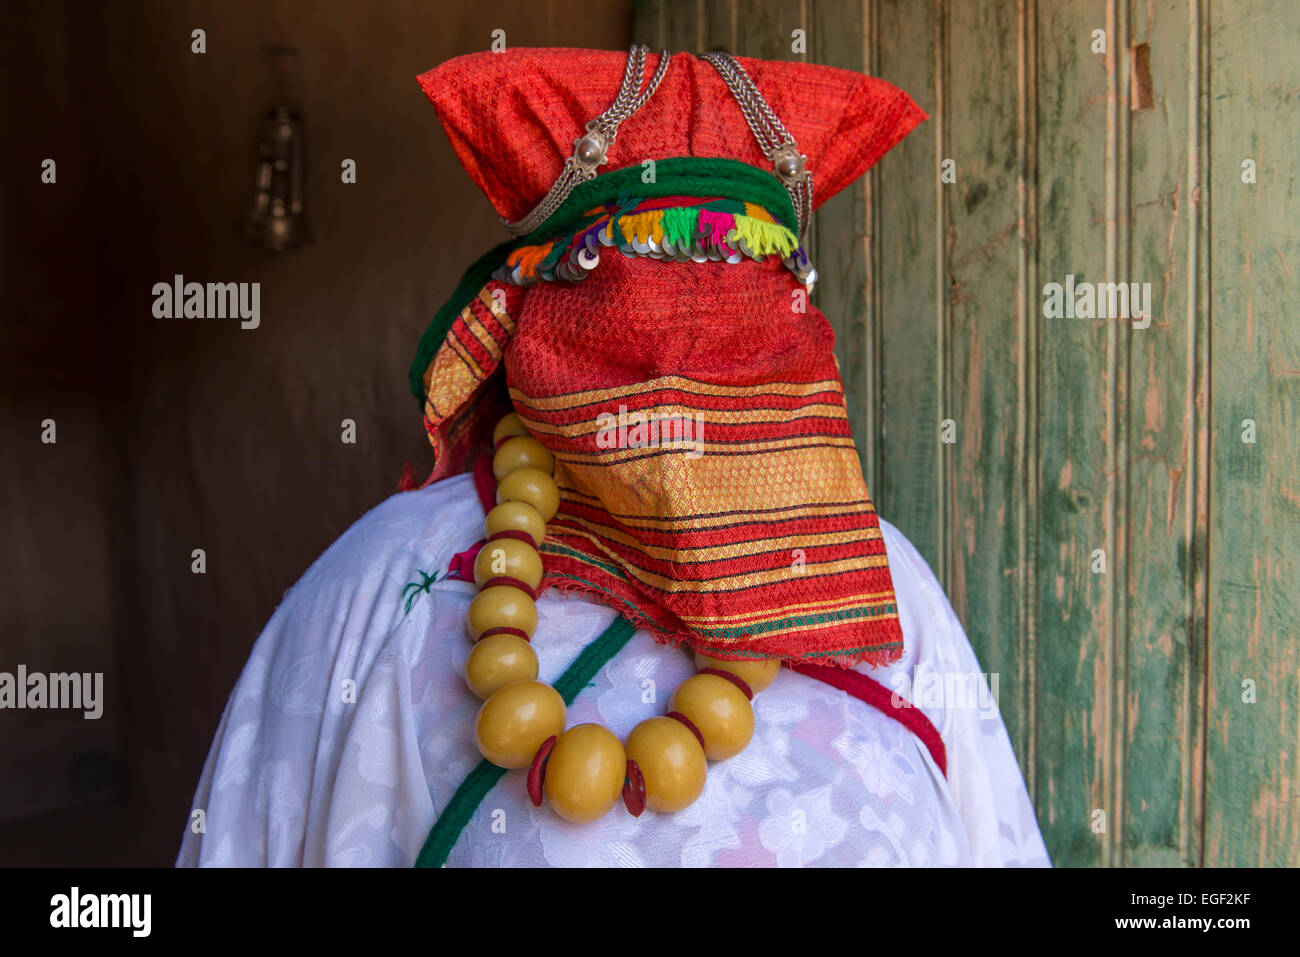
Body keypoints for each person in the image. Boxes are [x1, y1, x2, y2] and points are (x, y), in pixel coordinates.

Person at [177, 46, 1049, 868]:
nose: (679, 348)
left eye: (732, 283)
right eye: (642, 280)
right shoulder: (390, 585)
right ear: (541, 306)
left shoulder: (884, 586)